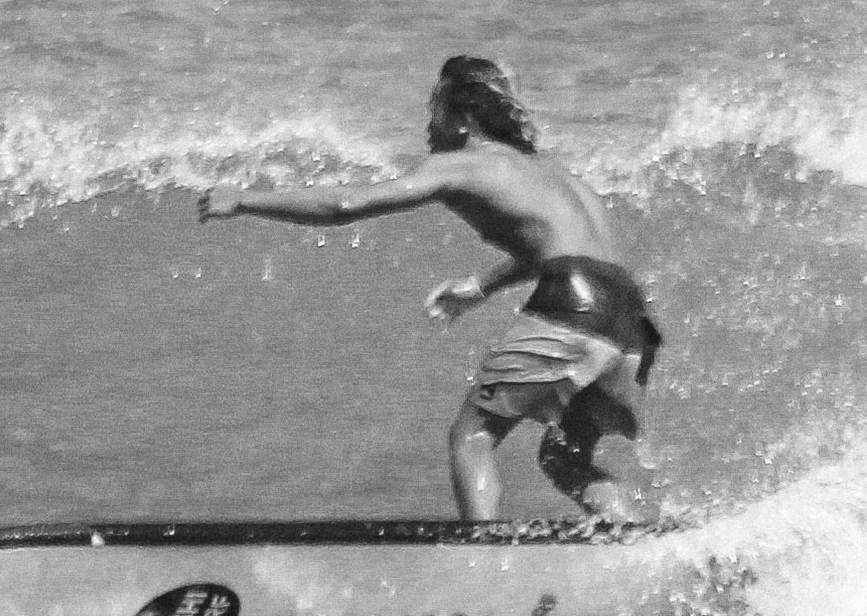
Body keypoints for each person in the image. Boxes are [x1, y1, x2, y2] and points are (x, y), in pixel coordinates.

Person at [196, 56, 666, 523]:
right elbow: (567, 254)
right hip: (632, 322)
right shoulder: (553, 172)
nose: (427, 126)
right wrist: (481, 286)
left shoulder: (461, 165)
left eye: (433, 109)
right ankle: (629, 539)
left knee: (472, 438)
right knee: (563, 458)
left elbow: (345, 205)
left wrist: (243, 200)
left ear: (462, 118)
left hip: (574, 307)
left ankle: (479, 555)